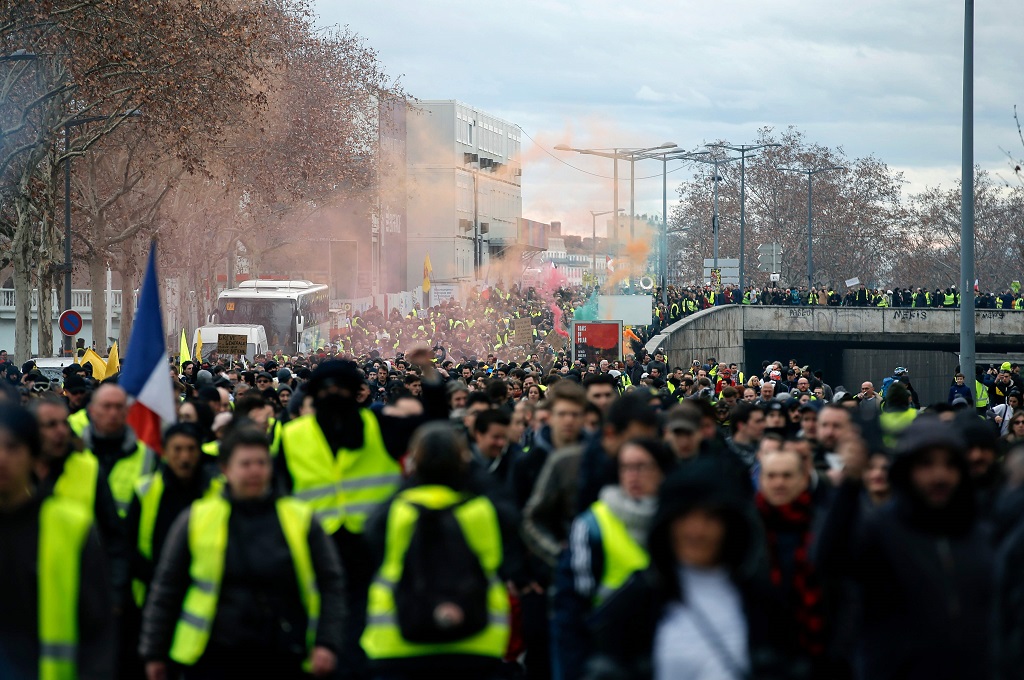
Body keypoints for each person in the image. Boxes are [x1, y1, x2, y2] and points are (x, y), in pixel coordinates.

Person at [275, 349, 446, 679]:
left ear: (357, 393)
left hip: (374, 550)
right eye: (326, 388)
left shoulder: (380, 425)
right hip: (315, 551)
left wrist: (428, 373)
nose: (333, 394)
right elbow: (278, 494)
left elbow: (433, 423)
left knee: (362, 636)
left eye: (342, 387)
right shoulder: (291, 436)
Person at [139, 424, 345, 679]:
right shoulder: (197, 518)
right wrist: (154, 653)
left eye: (261, 463)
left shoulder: (300, 518)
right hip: (215, 654)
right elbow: (166, 589)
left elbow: (331, 583)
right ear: (225, 469)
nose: (254, 471)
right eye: (245, 464)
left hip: (285, 651)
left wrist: (327, 642)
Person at [584, 458, 802, 680]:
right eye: (685, 516)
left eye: (710, 517)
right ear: (667, 523)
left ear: (731, 525)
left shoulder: (763, 604)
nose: (697, 530)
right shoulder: (634, 606)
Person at [816, 417, 994, 680]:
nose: (940, 476)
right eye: (926, 464)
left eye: (950, 464)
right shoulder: (881, 530)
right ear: (905, 470)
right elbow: (830, 559)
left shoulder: (980, 533)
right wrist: (850, 488)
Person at [361, 423, 518, 680]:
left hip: (398, 643)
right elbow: (510, 516)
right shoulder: (481, 510)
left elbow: (370, 534)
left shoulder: (396, 511)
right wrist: (469, 469)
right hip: (476, 641)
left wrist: (414, 476)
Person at [0, 405, 115, 679]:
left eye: (12, 448)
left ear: (35, 460)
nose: (2, 458)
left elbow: (96, 630)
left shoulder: (70, 526)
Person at [551, 438, 673, 680]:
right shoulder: (594, 523)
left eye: (642, 466)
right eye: (626, 467)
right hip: (608, 654)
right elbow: (572, 609)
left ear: (661, 470)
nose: (633, 475)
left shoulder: (679, 522)